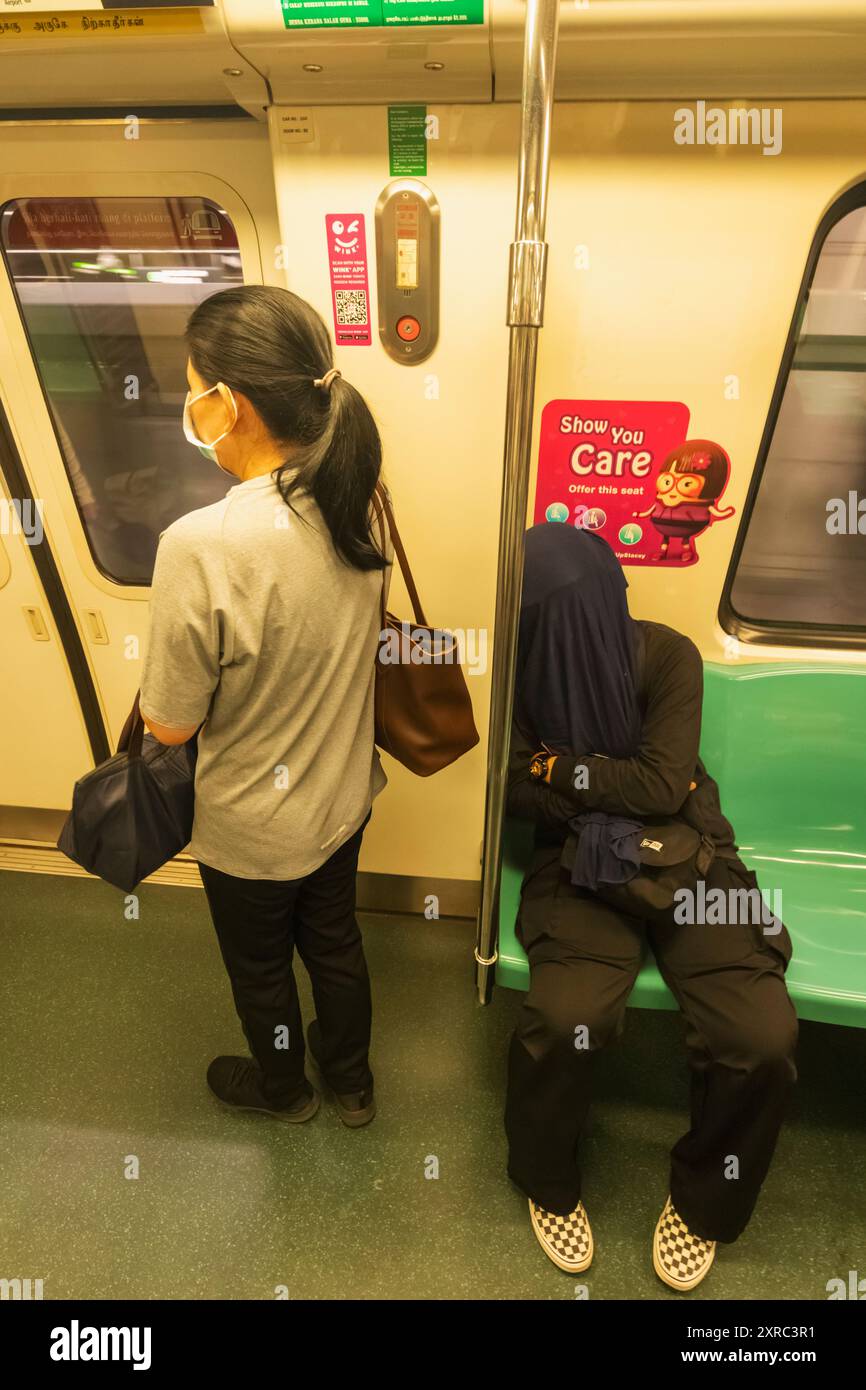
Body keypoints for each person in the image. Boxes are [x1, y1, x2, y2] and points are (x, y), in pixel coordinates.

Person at [504, 522, 798, 1290]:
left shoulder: (668, 655)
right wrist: (604, 780)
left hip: (686, 853)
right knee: (567, 1019)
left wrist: (561, 769)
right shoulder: (524, 674)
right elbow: (512, 791)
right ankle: (549, 1180)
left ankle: (705, 1201)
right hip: (576, 862)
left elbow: (664, 788)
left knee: (760, 1034)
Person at [138, 284, 392, 1128]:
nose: (189, 407)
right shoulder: (358, 505)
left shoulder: (201, 544)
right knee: (336, 944)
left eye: (194, 390)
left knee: (260, 969)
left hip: (251, 825)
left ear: (230, 405)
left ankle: (285, 1092)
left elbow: (170, 725)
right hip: (342, 798)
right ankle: (352, 1082)